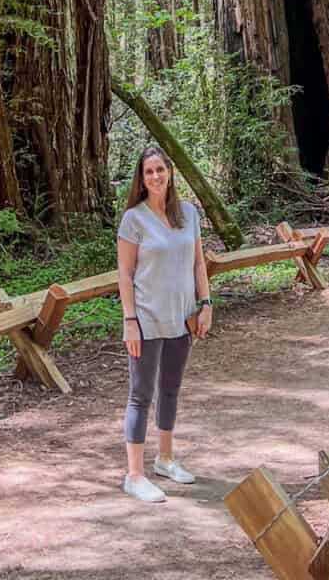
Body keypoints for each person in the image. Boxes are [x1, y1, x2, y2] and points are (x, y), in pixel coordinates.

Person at [116, 145, 213, 503]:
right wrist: (130, 321)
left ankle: (166, 459)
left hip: (182, 316)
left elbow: (198, 264)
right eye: (148, 172)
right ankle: (135, 474)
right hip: (146, 318)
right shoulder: (134, 219)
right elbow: (125, 274)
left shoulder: (188, 213)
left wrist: (206, 304)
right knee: (141, 395)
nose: (155, 176)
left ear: (170, 172)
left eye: (159, 169)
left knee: (171, 389)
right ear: (141, 180)